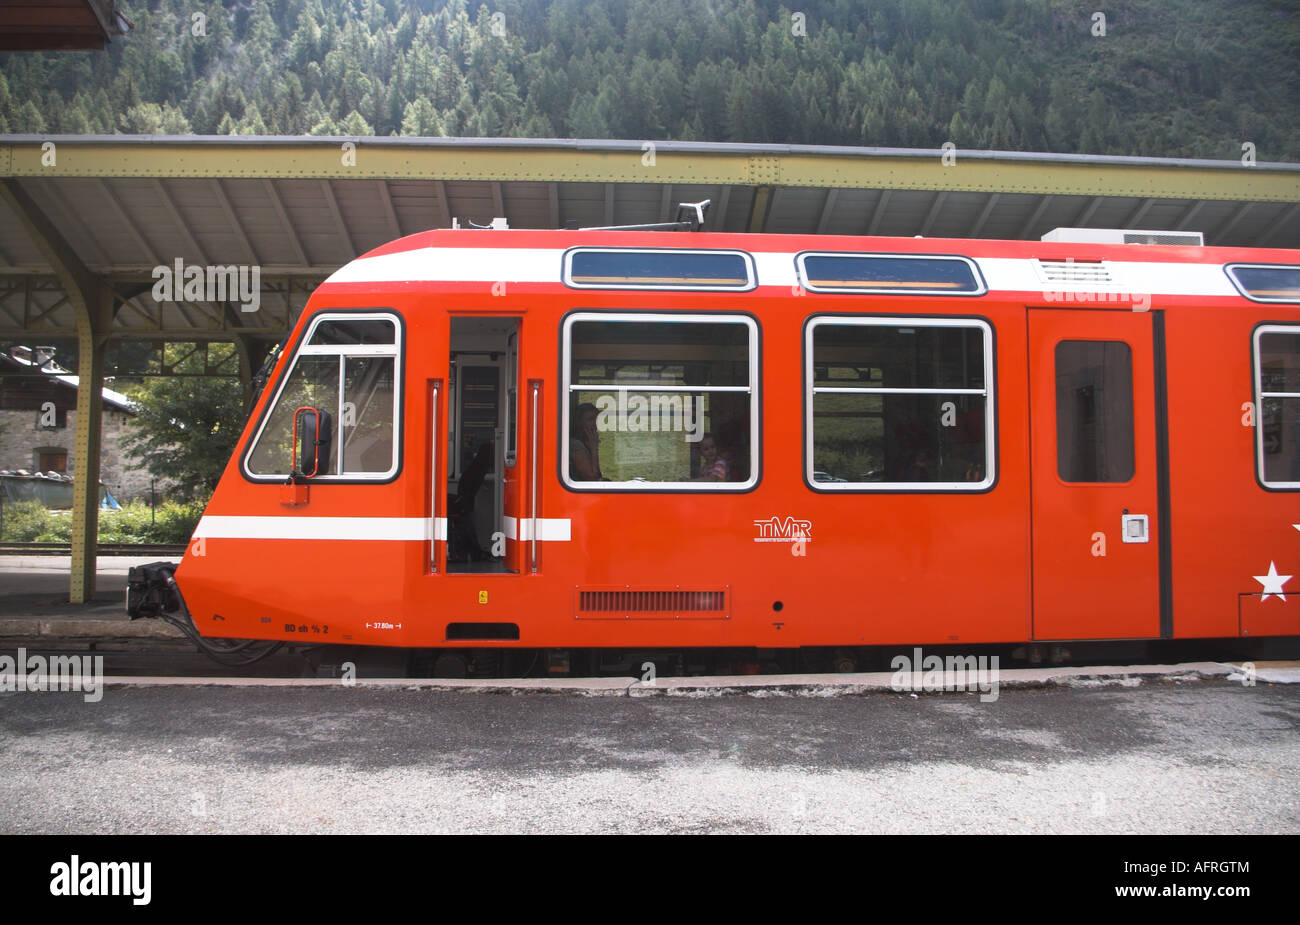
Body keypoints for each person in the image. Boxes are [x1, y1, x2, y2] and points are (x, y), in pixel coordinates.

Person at [570, 402, 605, 480]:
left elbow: (598, 475)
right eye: (590, 419)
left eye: (596, 419)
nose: (595, 424)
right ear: (579, 423)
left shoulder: (585, 443)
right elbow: (593, 478)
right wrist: (594, 448)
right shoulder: (575, 445)